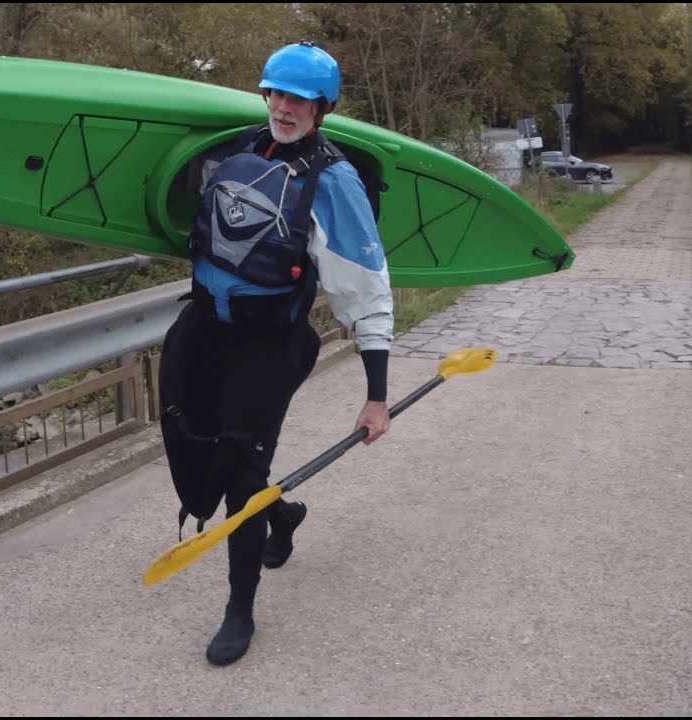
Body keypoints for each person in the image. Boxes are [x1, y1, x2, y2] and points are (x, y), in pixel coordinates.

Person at [157, 41, 395, 667]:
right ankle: (281, 516)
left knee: (239, 472)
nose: (284, 108)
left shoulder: (333, 181)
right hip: (207, 326)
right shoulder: (234, 150)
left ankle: (240, 608)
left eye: (299, 99)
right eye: (276, 94)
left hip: (270, 343)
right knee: (190, 435)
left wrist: (376, 395)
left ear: (323, 106)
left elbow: (366, 290)